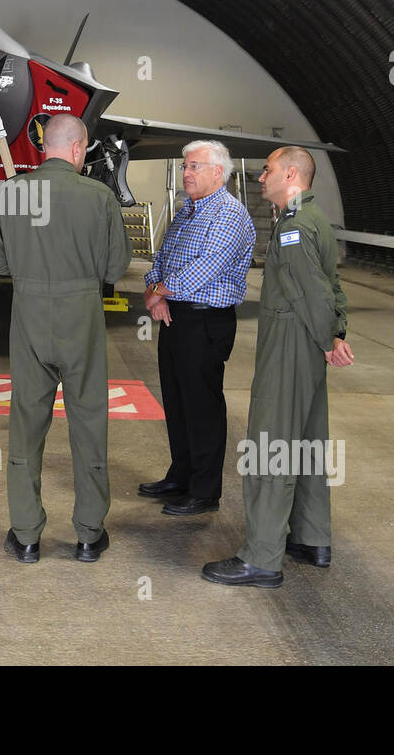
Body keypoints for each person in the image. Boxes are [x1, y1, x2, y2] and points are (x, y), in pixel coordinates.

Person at [203, 146, 352, 588]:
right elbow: (333, 287)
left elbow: (312, 293)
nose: (260, 177)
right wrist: (334, 332)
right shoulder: (312, 220)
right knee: (305, 442)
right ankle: (310, 538)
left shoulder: (294, 229)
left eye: (267, 170)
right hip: (306, 343)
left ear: (290, 174)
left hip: (291, 344)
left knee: (271, 446)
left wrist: (330, 338)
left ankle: (261, 557)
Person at [0, 114, 132, 563]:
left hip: (28, 318)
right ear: (78, 149)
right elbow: (115, 268)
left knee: (26, 425)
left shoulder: (10, 194)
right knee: (89, 424)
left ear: (43, 147)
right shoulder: (100, 196)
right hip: (82, 319)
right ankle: (89, 535)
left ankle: (27, 535)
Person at [140, 140, 256, 516]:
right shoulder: (186, 211)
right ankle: (181, 474)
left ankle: (205, 490)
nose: (185, 174)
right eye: (184, 167)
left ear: (218, 172)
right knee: (175, 399)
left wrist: (158, 292)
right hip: (175, 315)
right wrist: (155, 291)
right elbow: (162, 256)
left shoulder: (229, 214)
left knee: (202, 405)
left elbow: (206, 268)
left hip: (205, 320)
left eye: (194, 167)